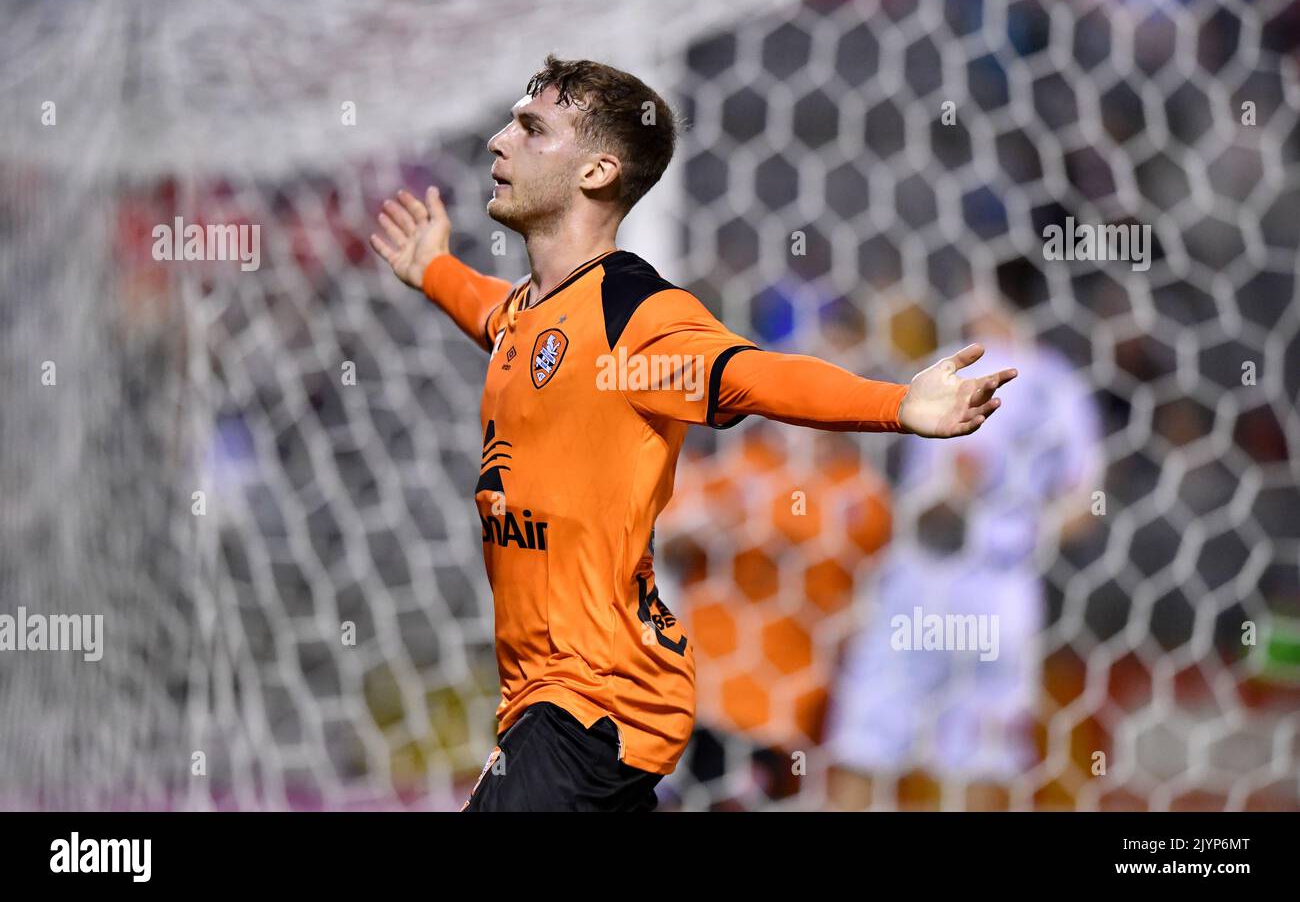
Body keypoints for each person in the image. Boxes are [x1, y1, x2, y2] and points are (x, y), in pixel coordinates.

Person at [367, 54, 1017, 812]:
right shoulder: (530, 315)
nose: (497, 141)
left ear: (598, 171)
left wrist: (896, 404)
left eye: (531, 128)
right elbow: (491, 312)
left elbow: (753, 373)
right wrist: (435, 268)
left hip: (593, 699)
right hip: (557, 699)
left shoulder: (635, 316)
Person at [824, 299, 1101, 811]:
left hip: (923, 581)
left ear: (986, 293)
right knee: (985, 753)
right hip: (1004, 591)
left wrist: (959, 499)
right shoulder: (1066, 388)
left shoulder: (950, 369)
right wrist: (1024, 534)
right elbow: (1085, 507)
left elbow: (930, 507)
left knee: (868, 739)